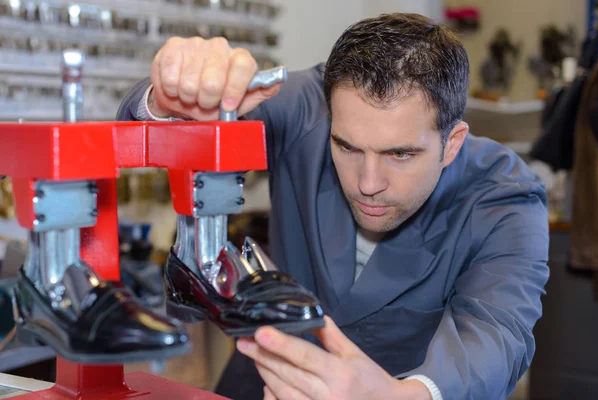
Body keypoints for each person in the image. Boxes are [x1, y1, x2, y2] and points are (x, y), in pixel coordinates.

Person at [117, 13, 550, 400]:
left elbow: (498, 333)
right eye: (346, 147)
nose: (368, 184)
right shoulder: (308, 105)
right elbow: (153, 128)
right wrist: (173, 96)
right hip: (261, 377)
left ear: (451, 143)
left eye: (400, 154)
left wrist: (406, 396)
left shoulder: (503, 194)